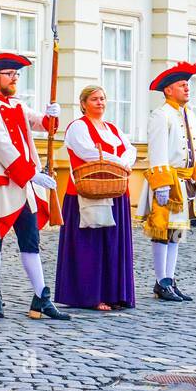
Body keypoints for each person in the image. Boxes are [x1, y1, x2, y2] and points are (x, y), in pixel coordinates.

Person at [0, 53, 70, 321]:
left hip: (26, 184)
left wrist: (52, 115)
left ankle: (41, 296)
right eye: (10, 74)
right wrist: (32, 174)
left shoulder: (17, 105)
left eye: (17, 75)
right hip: (3, 183)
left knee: (30, 241)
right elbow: (1, 146)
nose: (15, 79)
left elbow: (42, 124)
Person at [55, 85, 136, 311]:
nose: (100, 102)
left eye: (102, 98)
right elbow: (88, 153)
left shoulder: (112, 128)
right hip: (88, 192)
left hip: (116, 190)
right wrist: (120, 163)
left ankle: (114, 293)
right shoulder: (77, 127)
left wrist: (126, 162)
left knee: (112, 244)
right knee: (91, 246)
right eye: (94, 99)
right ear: (83, 104)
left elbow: (130, 149)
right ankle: (90, 295)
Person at [141, 62, 196, 302]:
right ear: (168, 90)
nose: (187, 88)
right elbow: (157, 150)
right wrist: (161, 185)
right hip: (167, 180)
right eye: (182, 85)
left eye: (187, 84)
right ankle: (161, 281)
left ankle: (170, 277)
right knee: (162, 231)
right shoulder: (161, 115)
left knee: (177, 232)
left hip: (185, 180)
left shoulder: (189, 114)